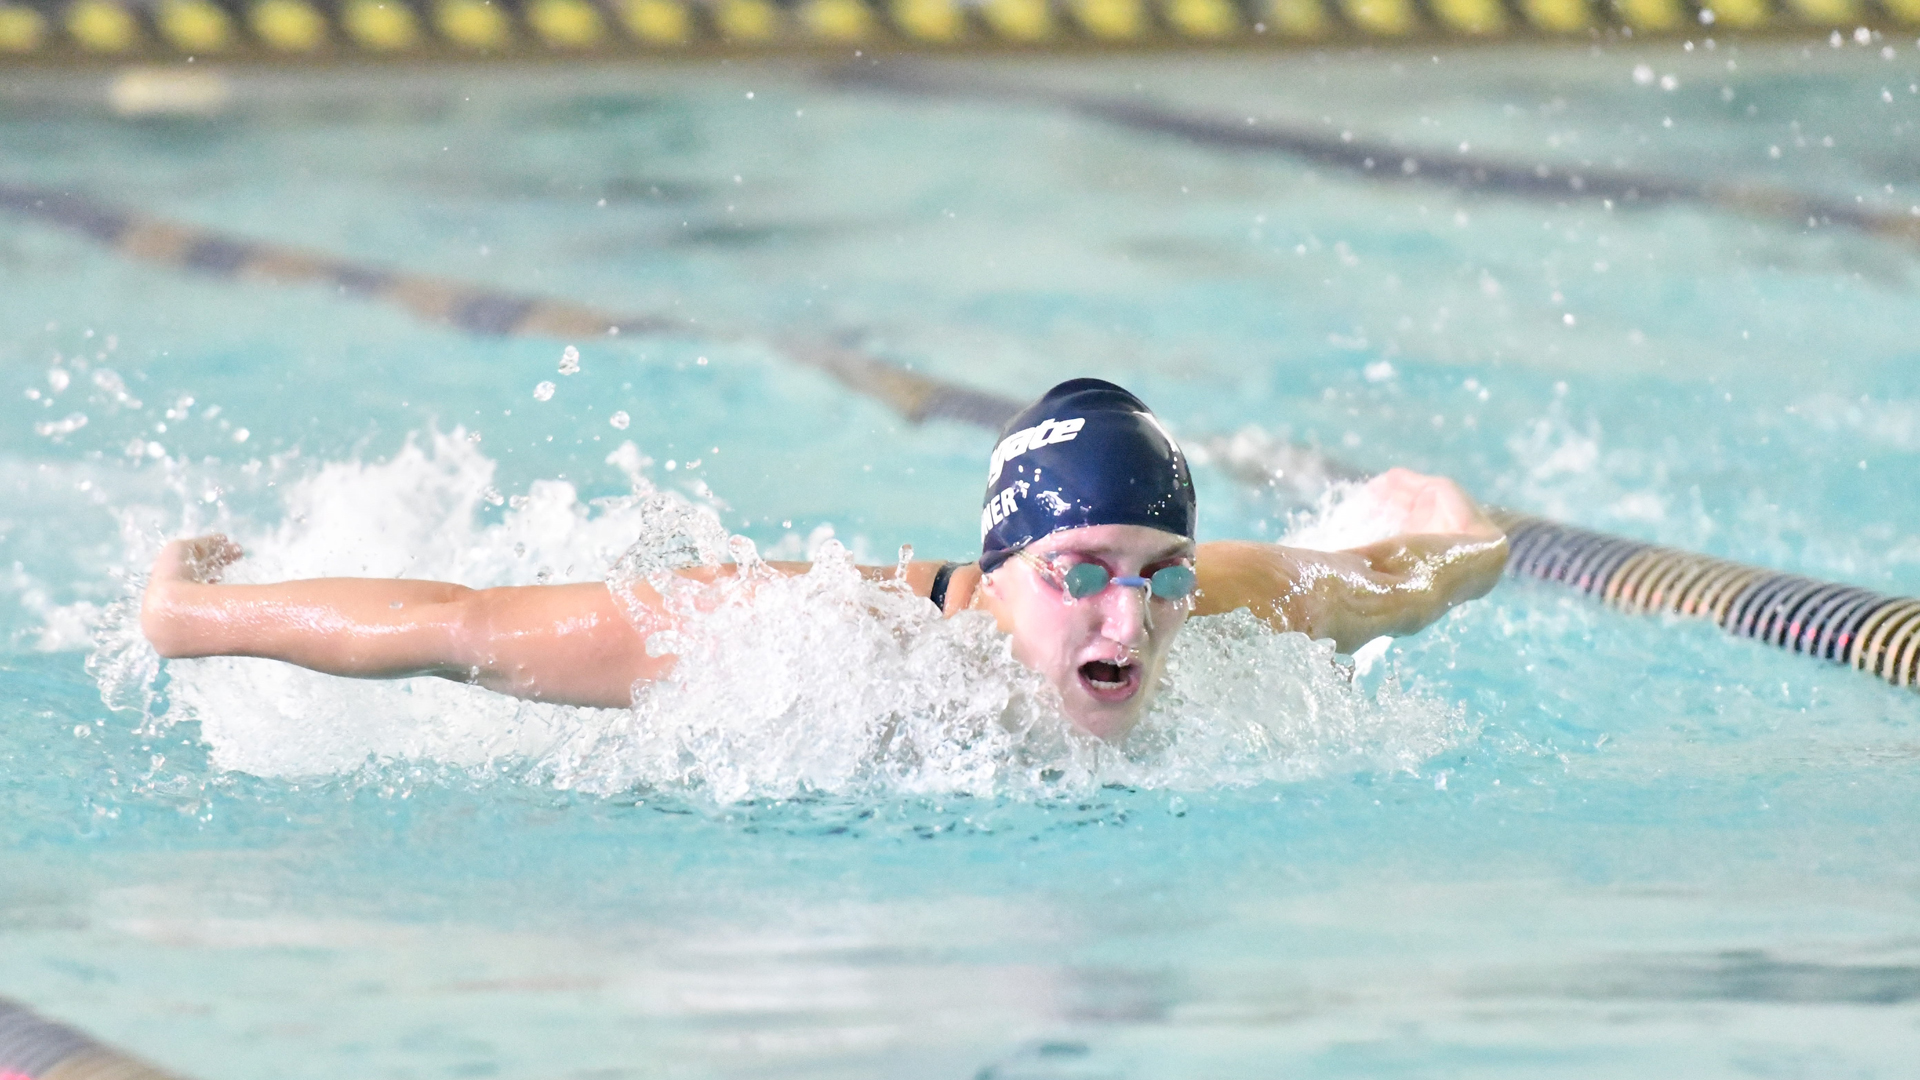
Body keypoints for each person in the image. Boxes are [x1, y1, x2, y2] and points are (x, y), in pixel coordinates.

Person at [141, 379, 1508, 741]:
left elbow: (1424, 573)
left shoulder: (1225, 615)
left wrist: (1448, 524)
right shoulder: (822, 647)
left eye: (1161, 573)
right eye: (1084, 570)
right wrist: (192, 615)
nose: (1131, 617)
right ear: (1000, 566)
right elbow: (460, 624)